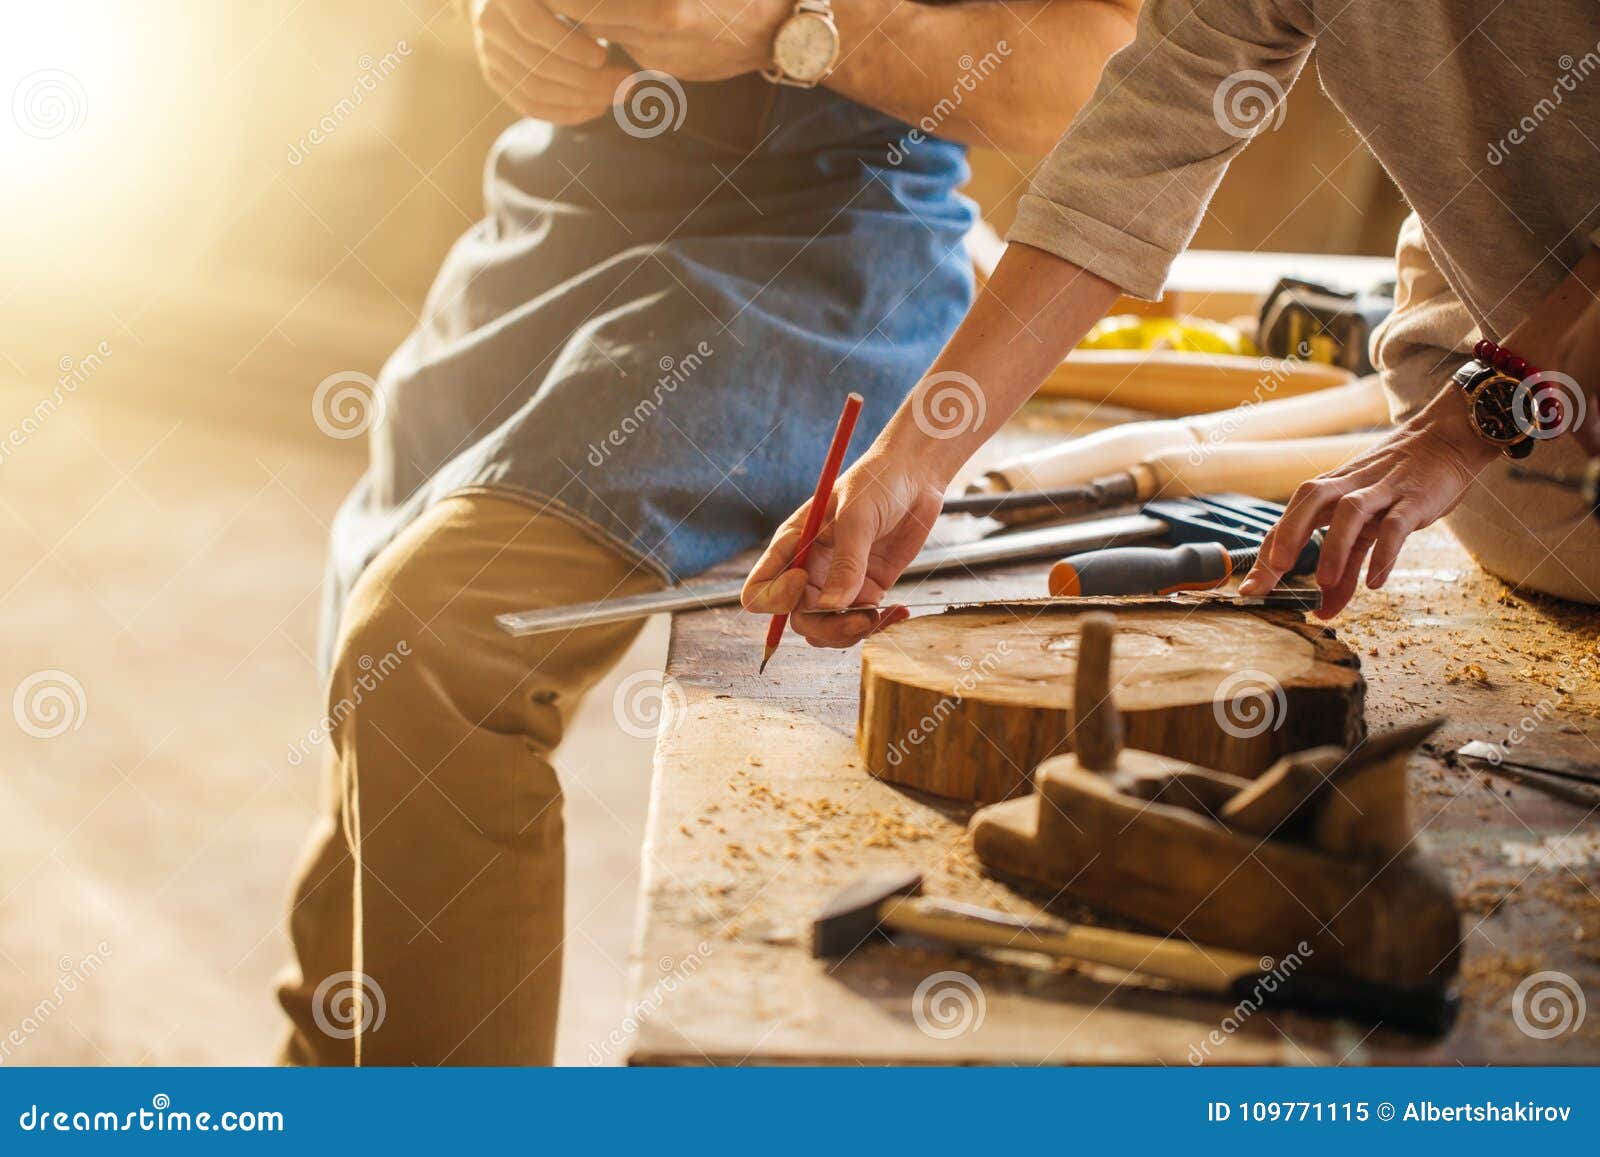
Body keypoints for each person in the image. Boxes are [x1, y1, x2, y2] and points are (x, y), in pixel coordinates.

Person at [276, 0, 1141, 1064]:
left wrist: (795, 25)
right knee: (378, 738)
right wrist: (506, 21)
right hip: (554, 218)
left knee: (438, 642)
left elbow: (1101, 68)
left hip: (816, 242)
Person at [743, 0, 1600, 654]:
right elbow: (1139, 150)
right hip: (1504, 414)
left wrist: (1469, 422)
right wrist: (913, 461)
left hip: (1517, 393)